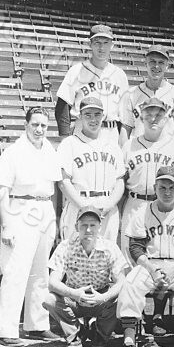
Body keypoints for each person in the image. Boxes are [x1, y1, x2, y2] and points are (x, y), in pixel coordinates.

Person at [116, 166, 174, 347]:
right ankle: (129, 342)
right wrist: (151, 269)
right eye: (162, 187)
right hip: (150, 264)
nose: (167, 192)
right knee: (130, 283)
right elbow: (136, 247)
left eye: (171, 188)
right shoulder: (142, 211)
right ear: (155, 187)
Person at [0, 106, 62, 346]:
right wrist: (6, 225)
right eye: (35, 124)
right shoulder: (13, 152)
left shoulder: (50, 151)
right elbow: (2, 189)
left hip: (45, 210)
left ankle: (37, 325)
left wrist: (53, 220)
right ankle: (7, 330)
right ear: (26, 125)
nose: (39, 129)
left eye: (43, 125)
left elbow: (53, 189)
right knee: (15, 272)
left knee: (40, 272)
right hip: (20, 209)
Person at [43, 206, 129, 347]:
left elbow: (121, 281)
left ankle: (101, 333)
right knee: (49, 299)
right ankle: (74, 333)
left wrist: (103, 297)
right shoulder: (65, 246)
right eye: (84, 225)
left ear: (100, 227)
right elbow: (52, 282)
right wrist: (74, 294)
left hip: (101, 296)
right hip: (74, 298)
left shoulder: (110, 247)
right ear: (76, 226)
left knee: (122, 297)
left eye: (92, 225)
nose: (88, 229)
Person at [56, 95, 126, 244]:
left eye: (97, 114)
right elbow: (63, 182)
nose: (93, 119)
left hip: (107, 207)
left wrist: (109, 205)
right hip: (79, 205)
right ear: (79, 116)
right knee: (74, 258)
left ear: (103, 116)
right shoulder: (69, 144)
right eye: (87, 114)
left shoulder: (112, 146)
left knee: (106, 258)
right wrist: (85, 207)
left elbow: (120, 182)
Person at [55, 23, 129, 145]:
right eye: (97, 42)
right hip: (83, 130)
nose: (101, 47)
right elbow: (62, 107)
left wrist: (124, 142)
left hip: (111, 132)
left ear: (112, 45)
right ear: (90, 44)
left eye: (106, 43)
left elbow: (125, 115)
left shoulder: (119, 75)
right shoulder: (76, 71)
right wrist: (64, 138)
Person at [119, 44, 174, 141]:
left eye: (161, 62)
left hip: (167, 150)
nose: (156, 66)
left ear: (167, 66)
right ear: (146, 64)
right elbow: (126, 128)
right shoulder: (131, 94)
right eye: (152, 61)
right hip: (139, 151)